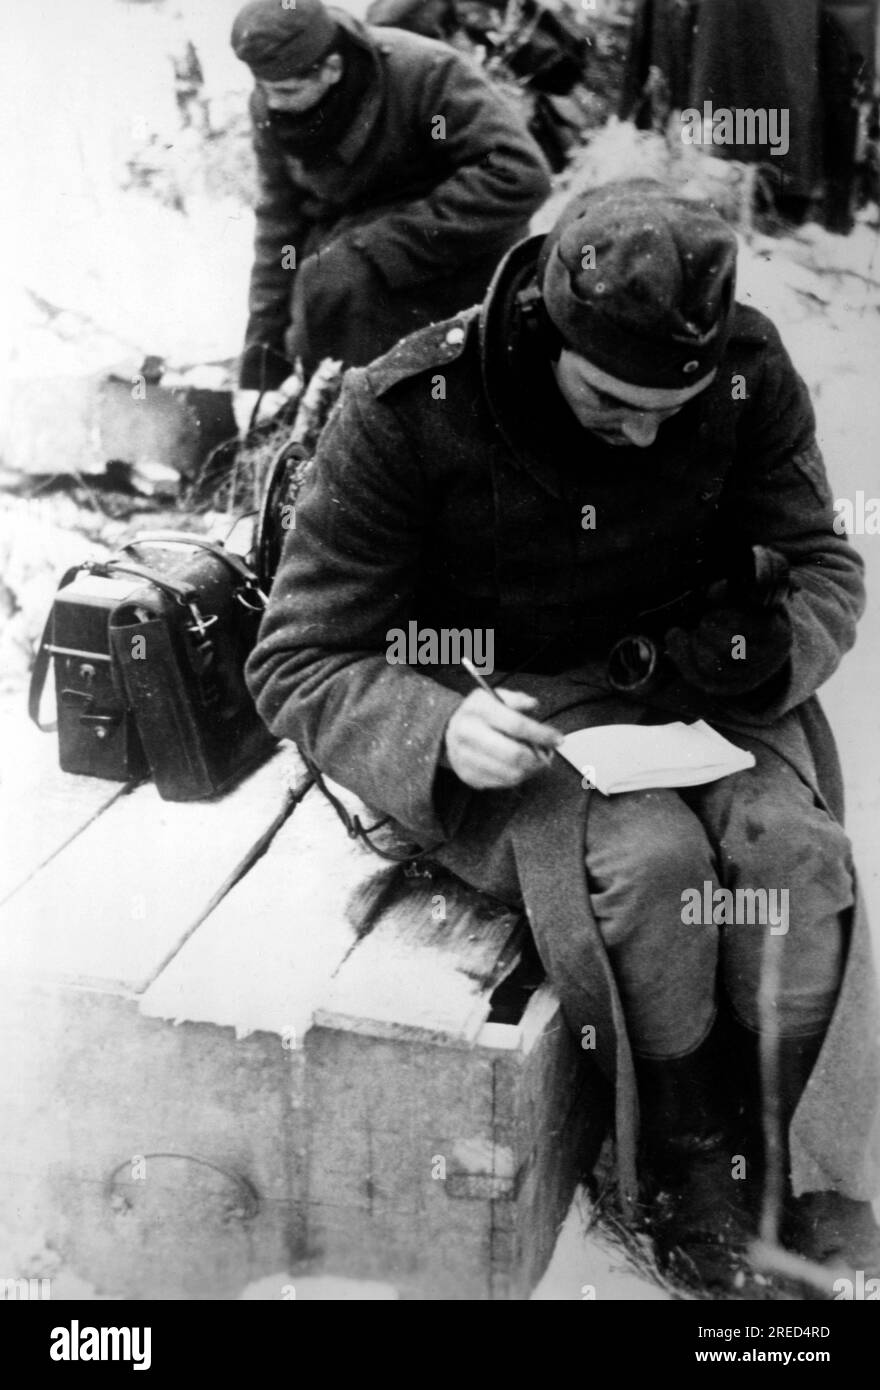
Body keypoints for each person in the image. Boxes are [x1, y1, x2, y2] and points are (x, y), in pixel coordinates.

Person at [245, 180, 880, 1291]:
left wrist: (762, 653)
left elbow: (824, 563)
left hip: (704, 687)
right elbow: (295, 654)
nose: (643, 433)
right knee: (653, 867)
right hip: (512, 708)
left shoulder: (747, 368)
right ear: (546, 328)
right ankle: (685, 1168)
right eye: (611, 402)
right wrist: (436, 730)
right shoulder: (412, 406)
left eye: (669, 410)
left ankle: (785, 1158)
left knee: (794, 859)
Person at [229, 0, 551, 435]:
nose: (272, 104)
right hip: (350, 247)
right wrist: (262, 357)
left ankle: (386, 439)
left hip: (453, 247)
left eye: (284, 91)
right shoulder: (272, 100)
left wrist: (382, 247)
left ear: (332, 68)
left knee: (372, 331)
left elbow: (517, 174)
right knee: (319, 291)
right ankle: (331, 429)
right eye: (263, 88)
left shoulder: (427, 73)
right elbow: (279, 223)